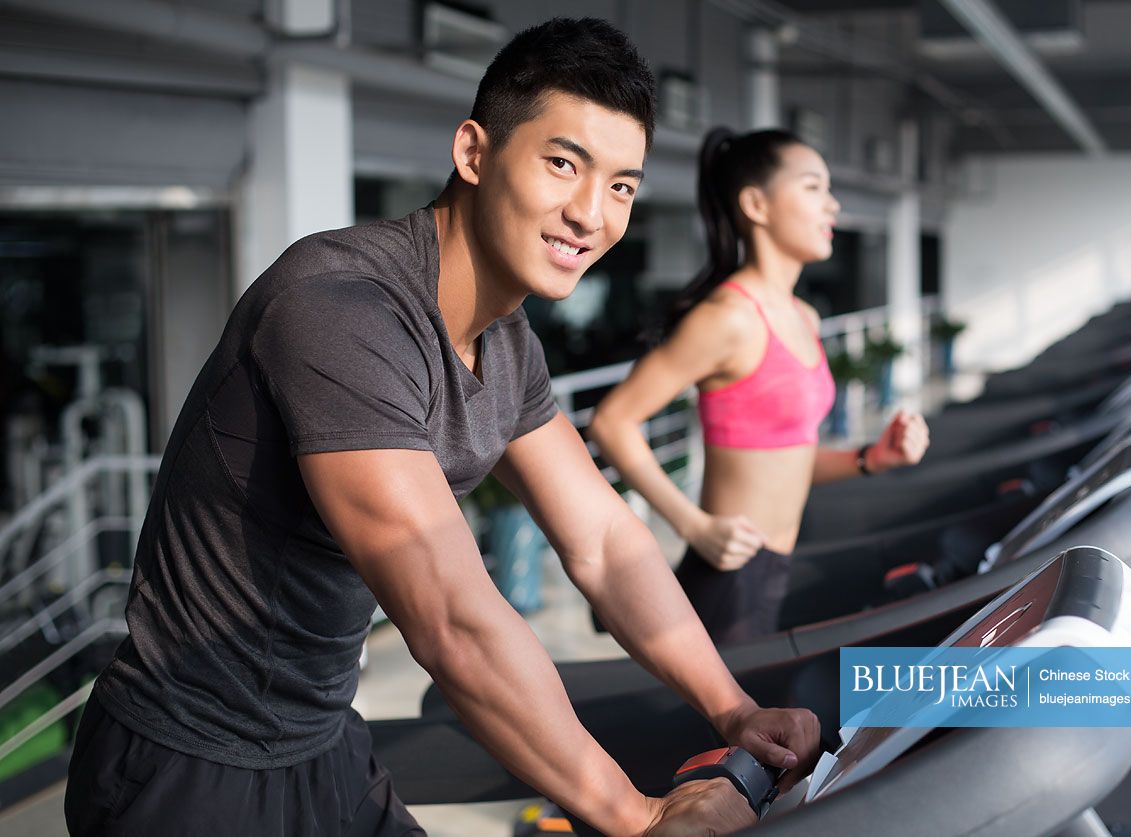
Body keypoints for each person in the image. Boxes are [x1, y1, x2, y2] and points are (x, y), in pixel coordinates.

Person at [64, 19, 819, 837]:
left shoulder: (507, 341)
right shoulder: (339, 309)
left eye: (621, 187)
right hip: (187, 757)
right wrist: (633, 815)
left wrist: (733, 709)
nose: (589, 214)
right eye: (562, 164)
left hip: (319, 737)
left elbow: (604, 540)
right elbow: (450, 615)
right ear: (473, 153)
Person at [589, 127, 931, 645]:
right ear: (756, 204)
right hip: (732, 577)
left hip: (782, 563)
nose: (833, 205)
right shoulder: (730, 317)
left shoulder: (804, 317)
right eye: (813, 187)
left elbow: (787, 459)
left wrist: (870, 458)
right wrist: (694, 526)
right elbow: (612, 421)